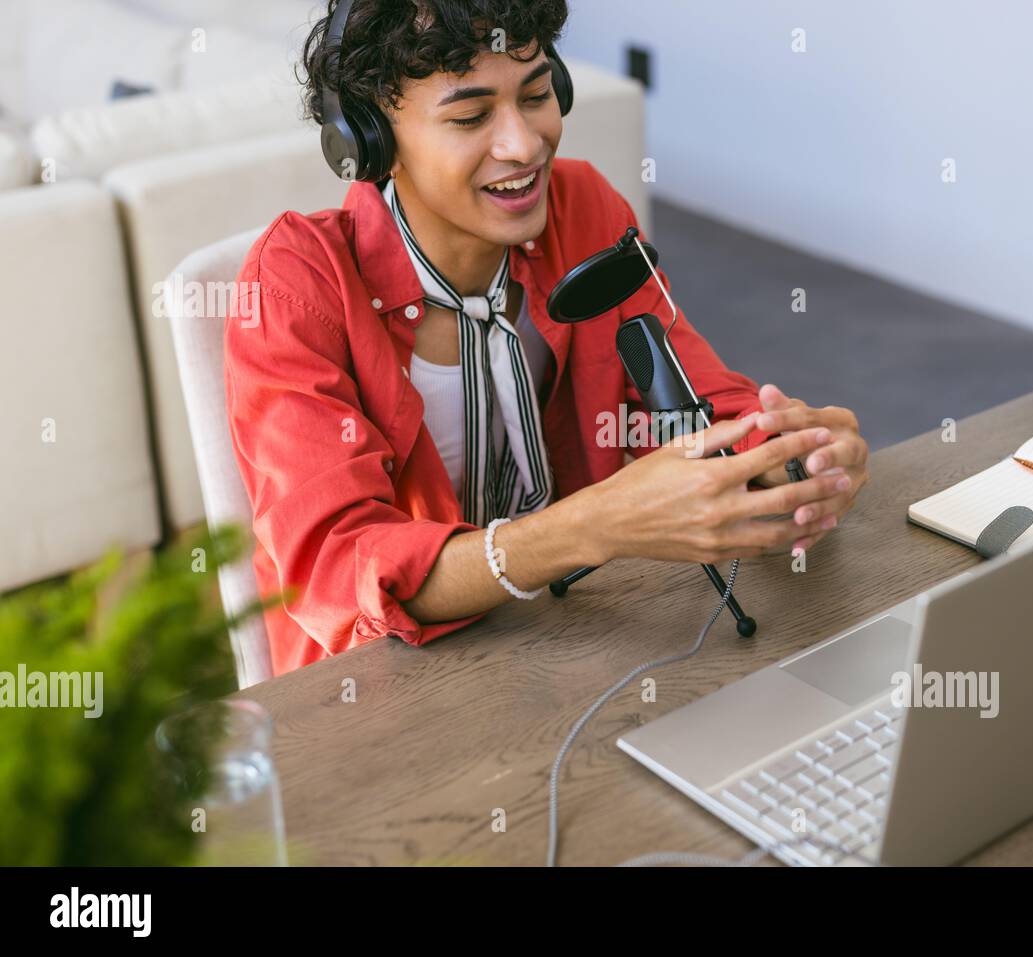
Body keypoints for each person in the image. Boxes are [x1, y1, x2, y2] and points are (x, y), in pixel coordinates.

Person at [224, 0, 870, 676]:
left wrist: (786, 461)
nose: (524, 144)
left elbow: (701, 401)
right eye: (471, 117)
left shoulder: (583, 208)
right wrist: (596, 523)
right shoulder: (294, 286)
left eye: (536, 94)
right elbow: (337, 569)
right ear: (370, 139)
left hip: (575, 648)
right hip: (386, 695)